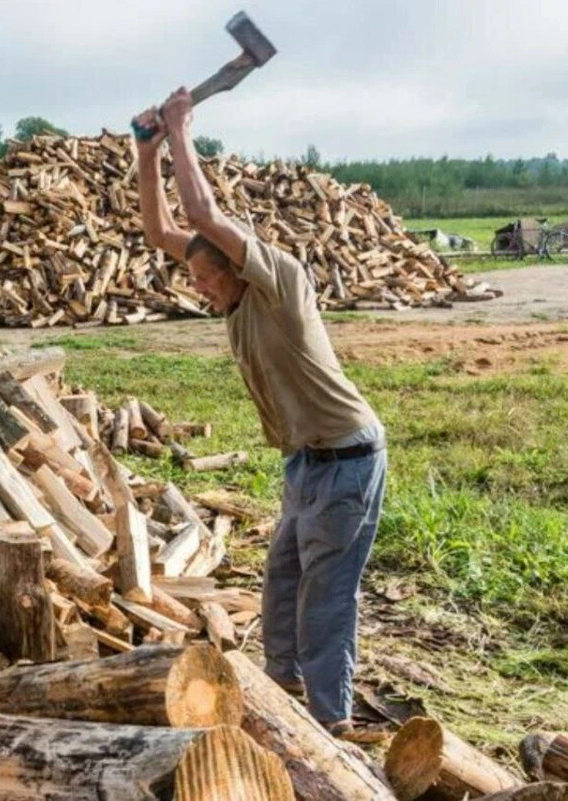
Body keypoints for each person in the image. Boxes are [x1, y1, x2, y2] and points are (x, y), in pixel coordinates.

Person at [133, 88, 387, 738]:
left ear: (237, 266)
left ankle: (330, 727)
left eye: (207, 276)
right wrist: (147, 150)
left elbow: (201, 210)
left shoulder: (280, 283)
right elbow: (164, 230)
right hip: (306, 463)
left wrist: (182, 130)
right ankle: (283, 702)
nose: (197, 285)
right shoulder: (230, 296)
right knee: (280, 590)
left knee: (323, 601)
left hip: (348, 462)